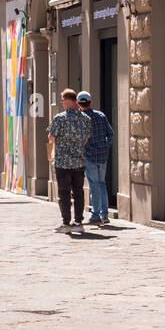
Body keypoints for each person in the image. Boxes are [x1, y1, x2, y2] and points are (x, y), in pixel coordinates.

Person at [47, 88, 92, 231]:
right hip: (79, 161)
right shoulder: (86, 119)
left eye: (62, 100)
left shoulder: (60, 118)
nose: (62, 103)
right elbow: (87, 138)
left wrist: (52, 152)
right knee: (79, 192)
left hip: (63, 163)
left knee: (64, 193)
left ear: (68, 100)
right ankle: (78, 222)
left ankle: (66, 223)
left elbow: (51, 137)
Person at [78, 91, 115, 226]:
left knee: (94, 185)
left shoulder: (80, 118)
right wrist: (105, 147)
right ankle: (104, 215)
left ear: (78, 103)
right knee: (101, 183)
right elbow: (110, 134)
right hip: (102, 156)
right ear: (90, 102)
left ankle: (96, 215)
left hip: (90, 156)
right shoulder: (101, 115)